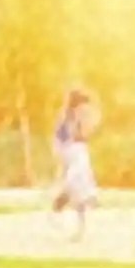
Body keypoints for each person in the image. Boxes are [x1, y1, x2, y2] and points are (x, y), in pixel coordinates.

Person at [49, 89, 101, 241]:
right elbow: (63, 137)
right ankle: (69, 204)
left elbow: (82, 134)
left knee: (77, 186)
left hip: (75, 153)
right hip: (71, 153)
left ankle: (80, 225)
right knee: (75, 185)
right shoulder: (66, 117)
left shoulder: (76, 116)